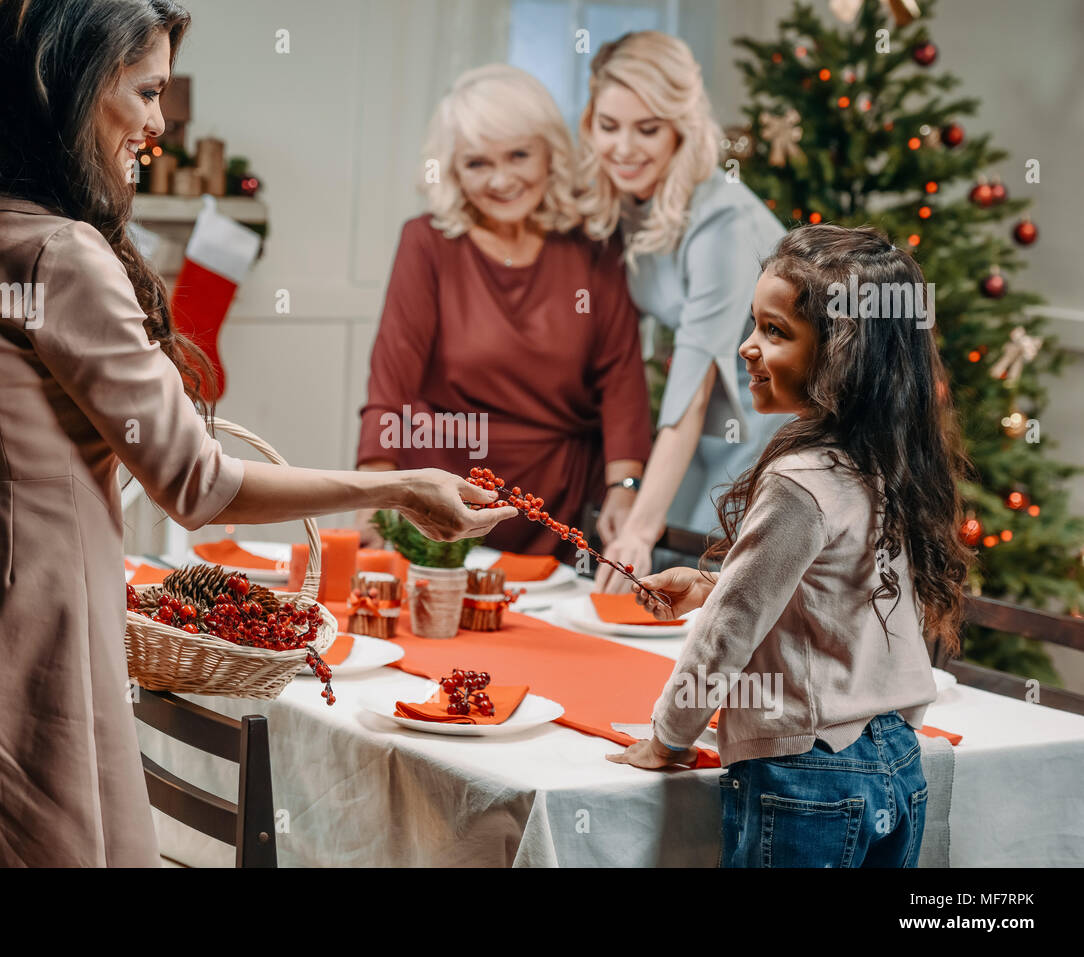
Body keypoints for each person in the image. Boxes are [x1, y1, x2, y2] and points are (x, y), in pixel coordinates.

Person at [0, 0, 513, 868]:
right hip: (32, 630)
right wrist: (393, 484)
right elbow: (199, 487)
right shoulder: (62, 254)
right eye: (148, 91)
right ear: (73, 82)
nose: (160, 122)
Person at [608, 225, 975, 868]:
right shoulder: (890, 461)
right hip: (897, 759)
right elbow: (840, 597)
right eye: (754, 324)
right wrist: (711, 583)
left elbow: (727, 631)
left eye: (775, 332)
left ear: (842, 353)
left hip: (808, 774)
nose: (748, 348)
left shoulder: (798, 481)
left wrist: (668, 739)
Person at [354, 64, 651, 561]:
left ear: (550, 154)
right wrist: (372, 498)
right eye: (477, 163)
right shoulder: (427, 242)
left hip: (558, 505)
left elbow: (621, 376)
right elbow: (391, 385)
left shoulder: (593, 246)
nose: (502, 179)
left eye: (518, 155)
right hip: (442, 501)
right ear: (452, 170)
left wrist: (625, 485)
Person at [574, 31, 790, 590]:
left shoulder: (721, 224)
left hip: (782, 417)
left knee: (707, 580)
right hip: (713, 419)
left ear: (680, 130)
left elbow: (694, 383)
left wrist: (640, 530)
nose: (624, 148)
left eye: (647, 129)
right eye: (609, 125)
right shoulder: (627, 199)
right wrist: (627, 487)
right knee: (671, 568)